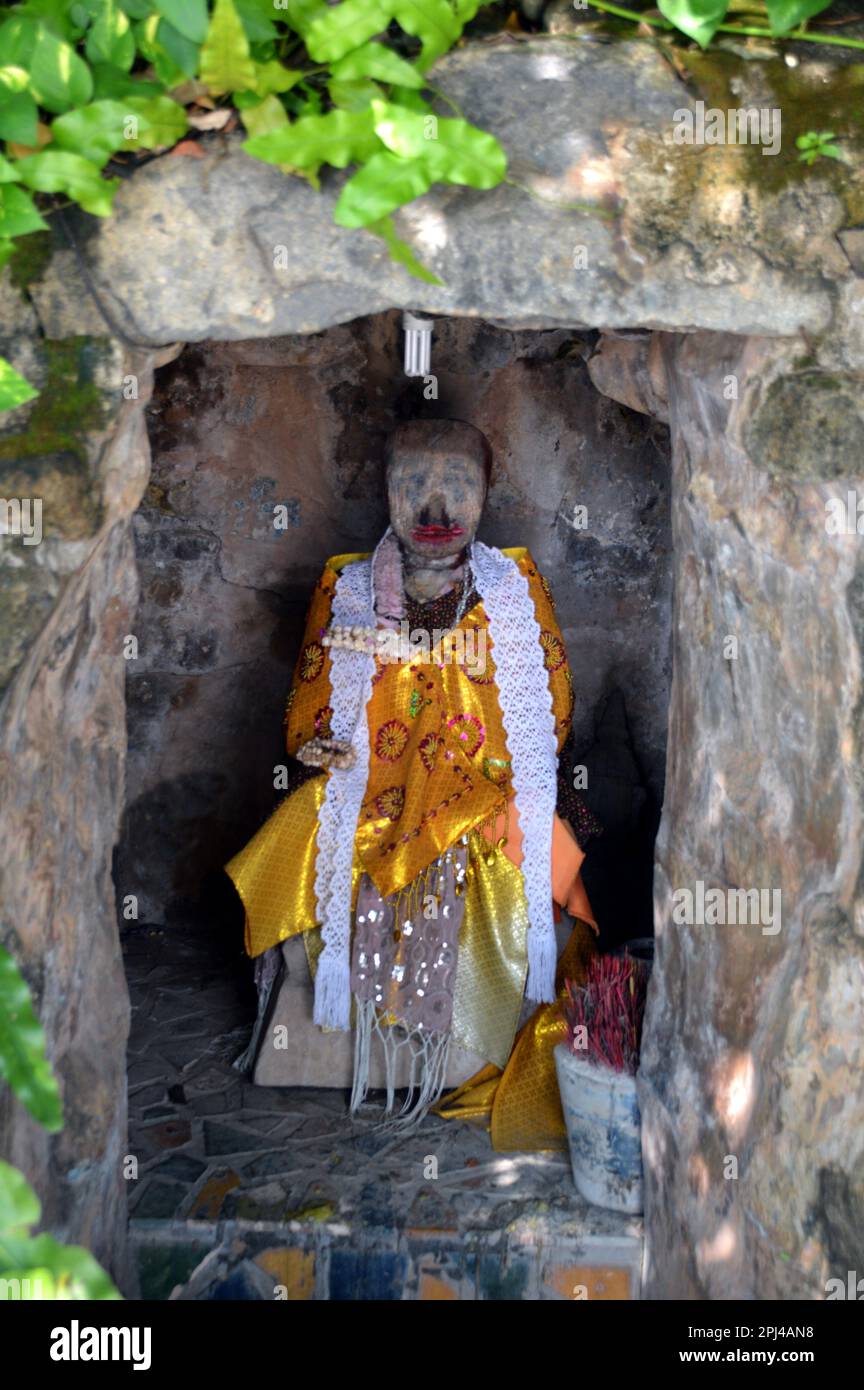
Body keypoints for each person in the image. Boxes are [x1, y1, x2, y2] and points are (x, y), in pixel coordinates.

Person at [224, 418, 603, 1145]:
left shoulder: (513, 590)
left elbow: (549, 712)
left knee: (530, 849)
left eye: (458, 487)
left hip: (481, 788)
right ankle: (325, 1036)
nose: (436, 512)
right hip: (370, 787)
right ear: (385, 491)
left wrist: (475, 775)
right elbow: (309, 708)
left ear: (488, 494)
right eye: (414, 487)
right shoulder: (348, 586)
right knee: (304, 832)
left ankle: (462, 1039)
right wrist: (321, 749)